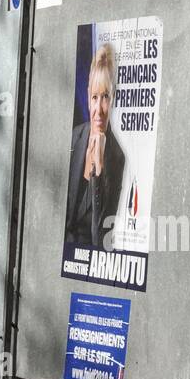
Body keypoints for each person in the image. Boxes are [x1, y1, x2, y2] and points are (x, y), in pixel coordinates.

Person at [65, 42, 126, 249]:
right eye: (94, 97)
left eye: (106, 97)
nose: (99, 109)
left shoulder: (117, 158)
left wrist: (99, 168)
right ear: (88, 97)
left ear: (114, 97)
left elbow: (101, 238)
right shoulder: (74, 137)